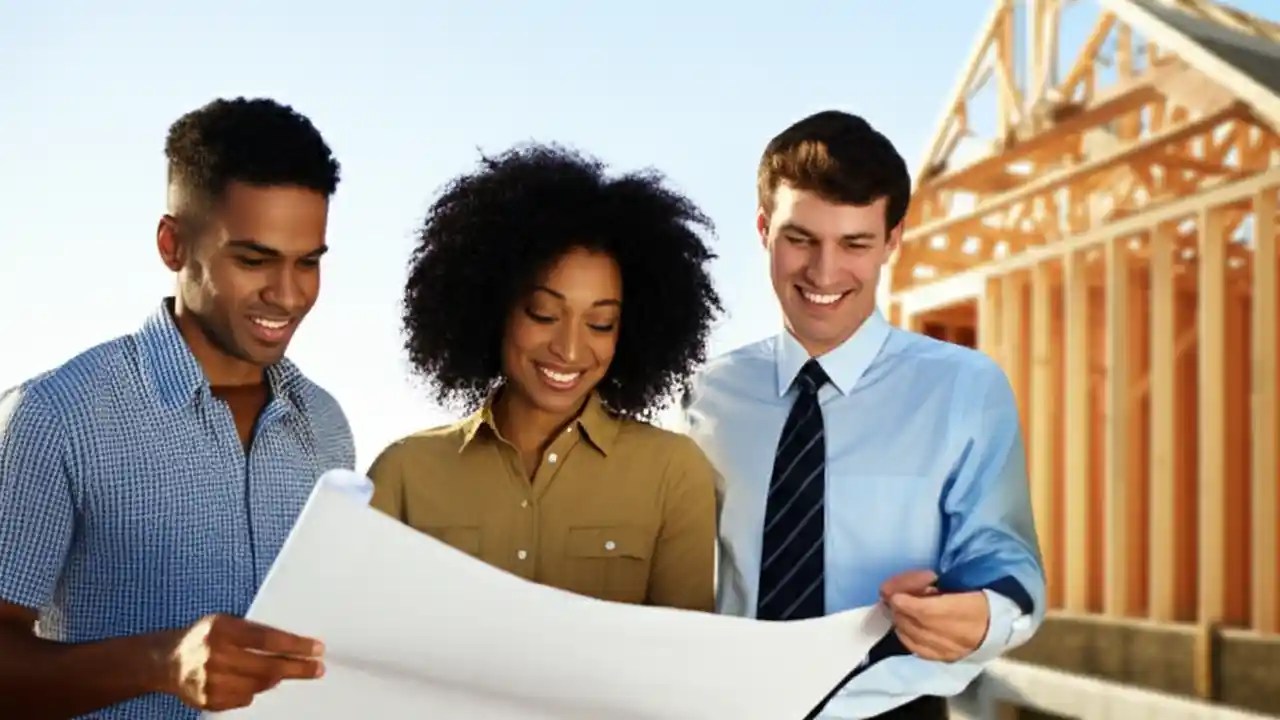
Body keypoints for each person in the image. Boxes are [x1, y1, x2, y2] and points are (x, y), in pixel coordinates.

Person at [680, 110, 1045, 719]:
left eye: (854, 244)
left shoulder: (963, 388)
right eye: (801, 239)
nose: (824, 273)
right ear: (764, 228)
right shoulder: (710, 395)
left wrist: (982, 614)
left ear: (892, 241)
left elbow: (1003, 557)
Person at [0, 97, 355, 719]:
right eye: (253, 260)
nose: (289, 294)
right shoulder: (55, 417)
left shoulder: (327, 429)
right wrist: (160, 663)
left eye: (309, 262)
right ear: (172, 244)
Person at [366, 143, 721, 611]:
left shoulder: (672, 474)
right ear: (495, 307)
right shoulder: (403, 474)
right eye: (543, 313)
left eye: (600, 324)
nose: (570, 349)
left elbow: (682, 660)